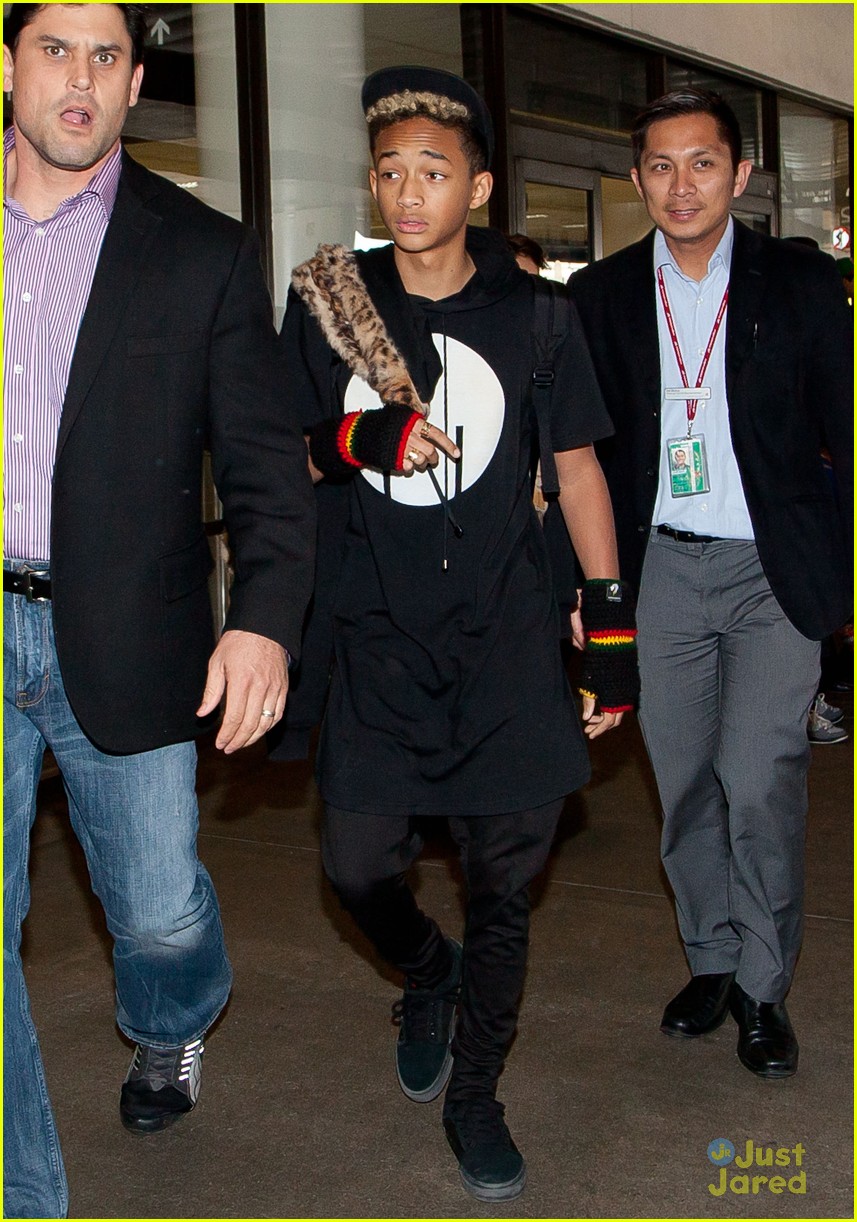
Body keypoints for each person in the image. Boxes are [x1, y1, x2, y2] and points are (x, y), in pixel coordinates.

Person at [277, 66, 636, 1202]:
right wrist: (357, 442)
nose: (407, 192)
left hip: (507, 646)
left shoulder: (537, 317)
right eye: (390, 173)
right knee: (354, 864)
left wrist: (609, 623)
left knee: (503, 886)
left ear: (475, 186)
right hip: (376, 639)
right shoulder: (332, 300)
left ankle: (477, 1090)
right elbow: (285, 450)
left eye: (432, 171)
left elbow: (575, 468)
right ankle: (421, 972)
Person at [2, 5, 315, 1217]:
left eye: (107, 56)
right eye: (54, 49)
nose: (79, 80)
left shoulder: (200, 251)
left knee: (157, 905)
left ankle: (171, 1017)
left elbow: (263, 469)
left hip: (132, 635)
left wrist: (265, 620)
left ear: (136, 83)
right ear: (10, 63)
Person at [568, 90, 852, 1079]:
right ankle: (713, 958)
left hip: (771, 573)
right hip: (659, 575)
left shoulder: (800, 284)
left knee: (757, 778)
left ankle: (763, 988)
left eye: (700, 164)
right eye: (658, 164)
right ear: (636, 176)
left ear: (737, 176)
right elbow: (580, 459)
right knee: (683, 783)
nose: (678, 184)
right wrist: (589, 587)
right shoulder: (598, 297)